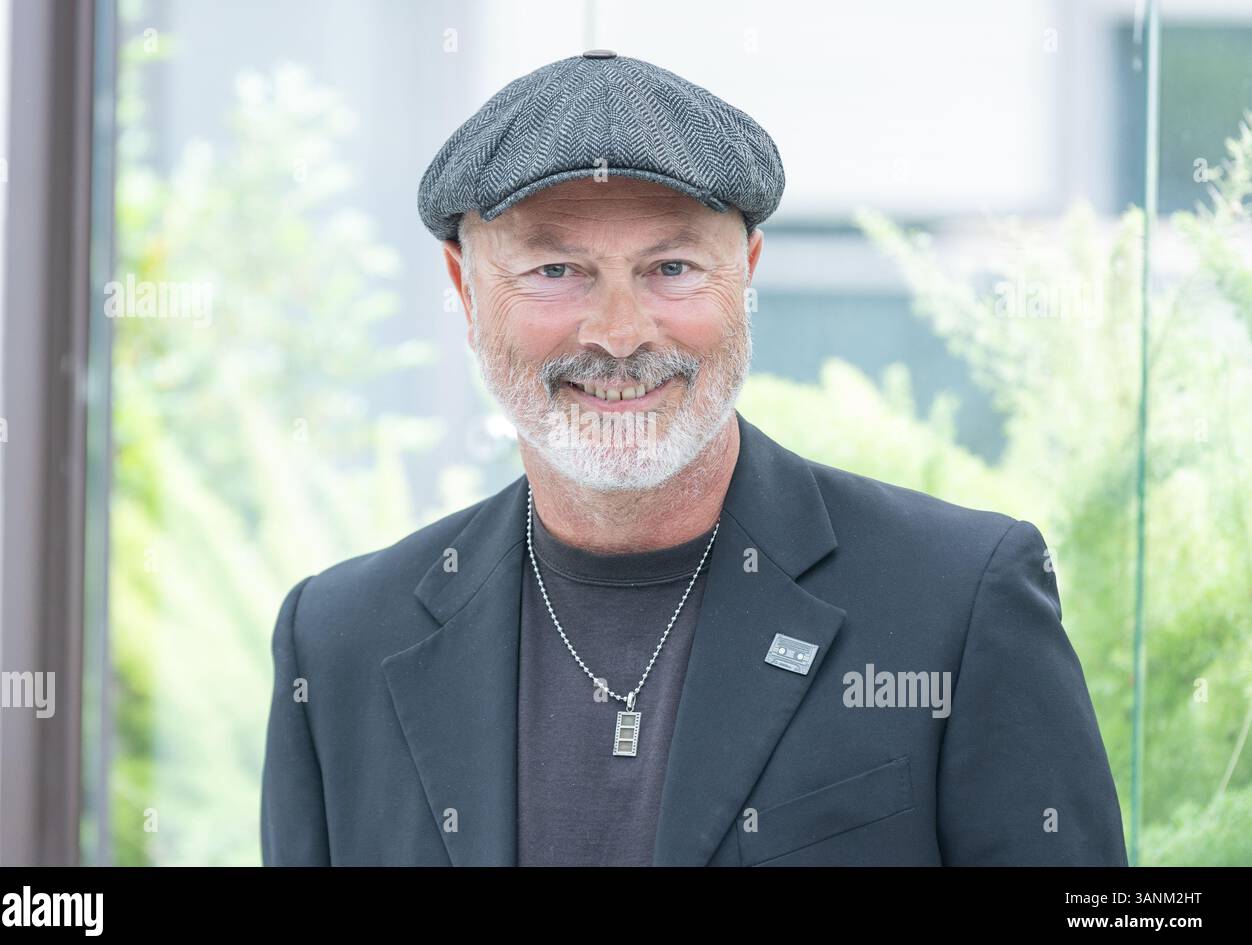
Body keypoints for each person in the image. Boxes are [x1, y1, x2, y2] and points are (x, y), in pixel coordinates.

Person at [260, 50, 1127, 866]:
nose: (619, 333)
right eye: (557, 270)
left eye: (671, 268)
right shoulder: (337, 641)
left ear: (746, 272)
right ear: (464, 290)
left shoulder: (958, 602)